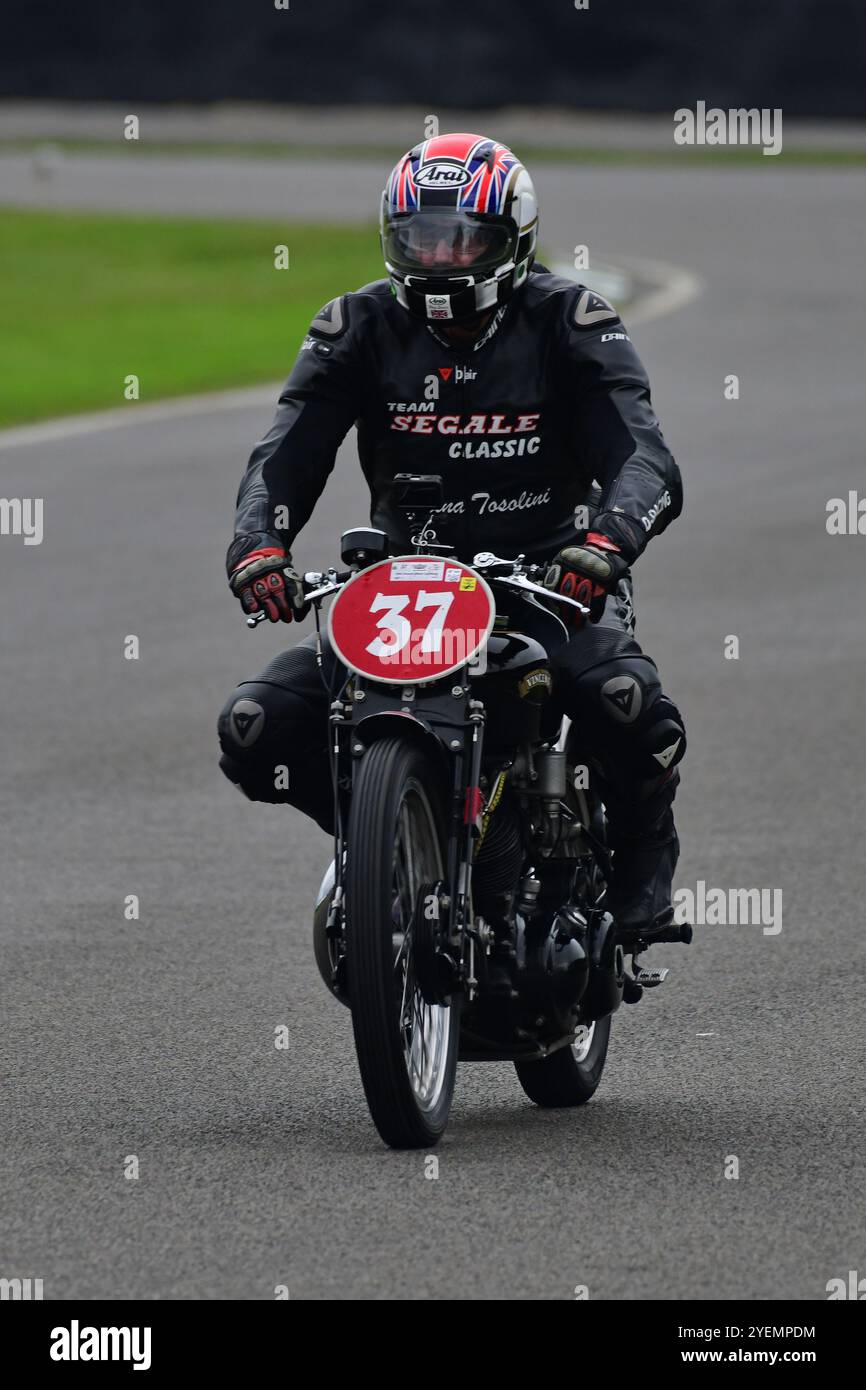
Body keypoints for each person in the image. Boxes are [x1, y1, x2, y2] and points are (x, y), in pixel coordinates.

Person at [218, 133, 686, 939]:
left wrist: (606, 545)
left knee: (628, 705)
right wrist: (259, 546)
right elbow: (285, 454)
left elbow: (646, 457)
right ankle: (398, 840)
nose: (440, 259)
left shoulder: (571, 320)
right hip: (404, 582)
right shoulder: (354, 324)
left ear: (514, 237)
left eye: (461, 238)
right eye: (421, 239)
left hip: (550, 576)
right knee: (255, 728)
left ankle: (646, 853)